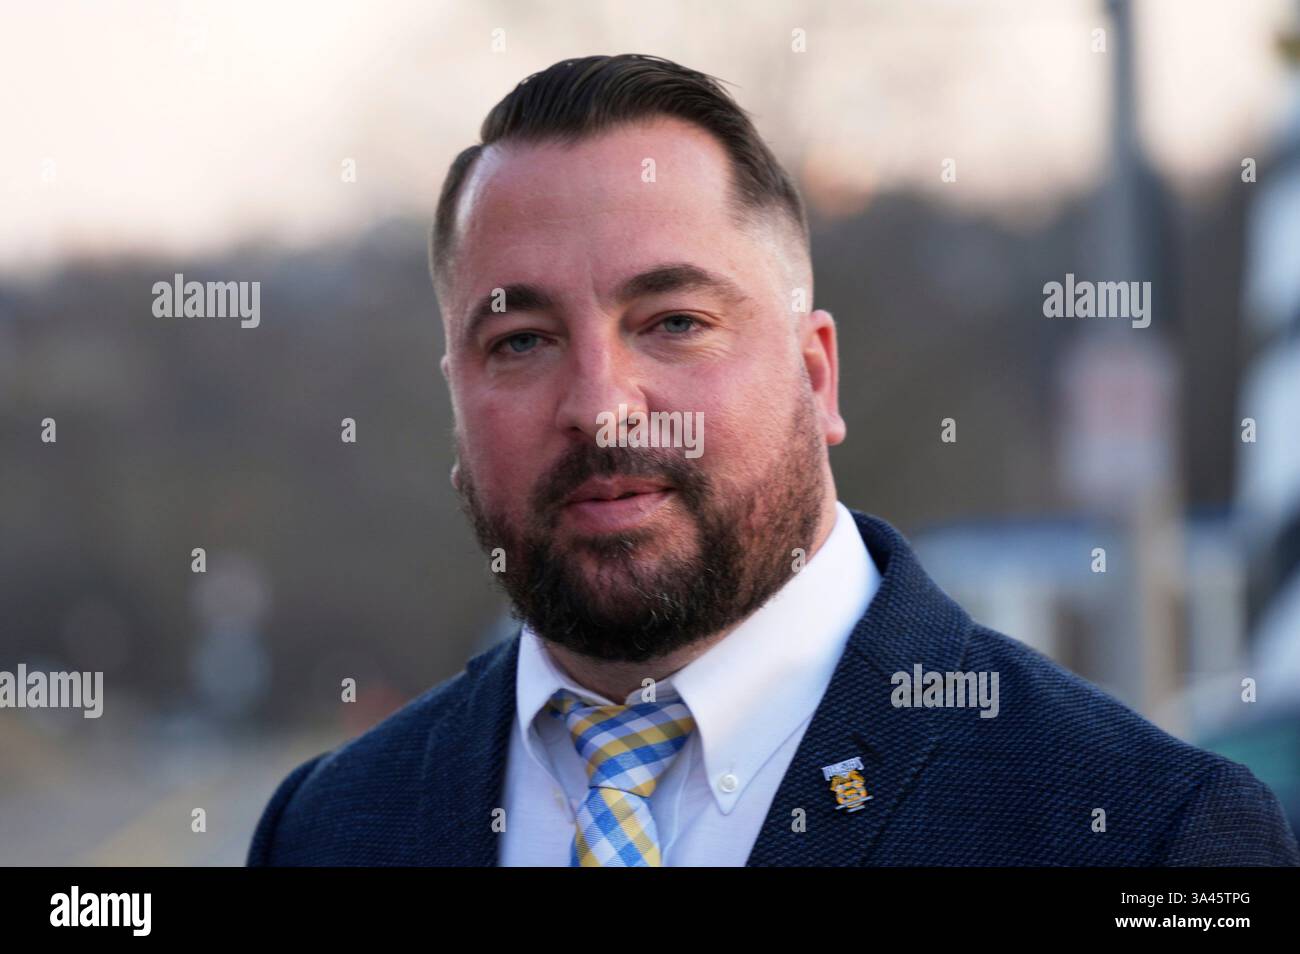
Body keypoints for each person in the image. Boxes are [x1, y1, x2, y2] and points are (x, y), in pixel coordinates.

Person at [247, 54, 1299, 867]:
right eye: (520, 340)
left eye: (672, 320)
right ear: (455, 399)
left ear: (816, 373)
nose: (604, 408)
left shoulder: (1139, 829)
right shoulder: (331, 828)